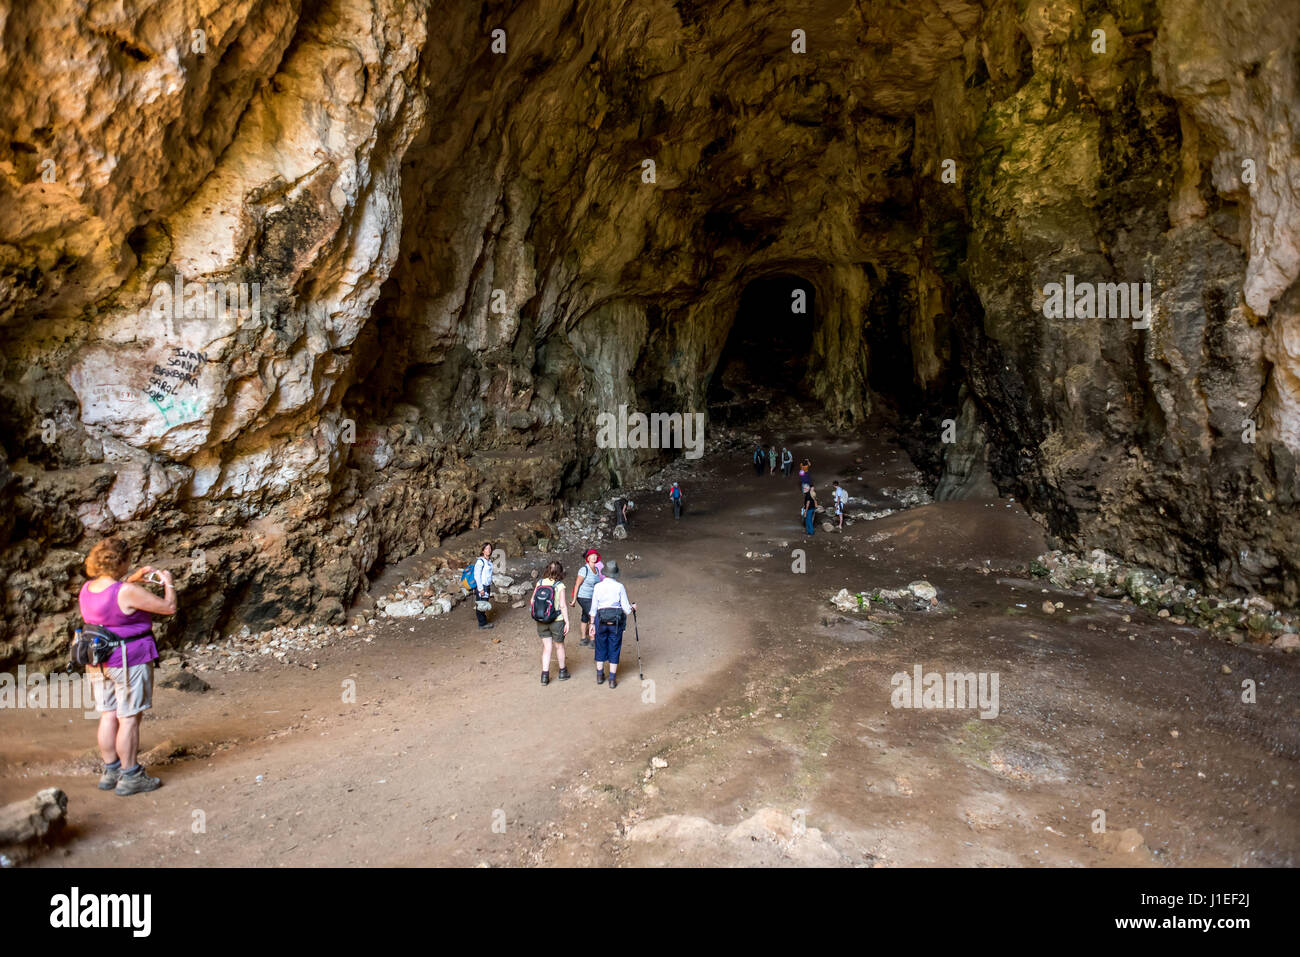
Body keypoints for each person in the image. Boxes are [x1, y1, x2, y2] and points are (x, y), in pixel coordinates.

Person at [79, 537, 176, 797]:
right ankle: (131, 775)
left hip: (97, 660)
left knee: (108, 713)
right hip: (128, 660)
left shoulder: (88, 589)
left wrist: (133, 579)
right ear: (121, 561)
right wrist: (168, 583)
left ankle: (111, 770)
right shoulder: (125, 591)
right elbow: (169, 607)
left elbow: (113, 601)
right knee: (129, 718)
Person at [590, 559, 636, 689]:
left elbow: (594, 607)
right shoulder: (619, 587)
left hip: (600, 620)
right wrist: (633, 607)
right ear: (615, 574)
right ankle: (611, 679)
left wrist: (592, 623)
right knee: (614, 647)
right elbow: (626, 609)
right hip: (616, 622)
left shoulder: (598, 586)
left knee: (600, 645)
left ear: (605, 573)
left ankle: (599, 676)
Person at [531, 561, 571, 685]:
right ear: (560, 571)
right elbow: (563, 606)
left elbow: (533, 600)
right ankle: (562, 672)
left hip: (542, 620)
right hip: (556, 620)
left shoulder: (540, 583)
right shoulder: (559, 586)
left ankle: (544, 676)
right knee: (559, 646)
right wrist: (567, 621)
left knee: (547, 647)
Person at [570, 548, 603, 646]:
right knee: (593, 615)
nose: (594, 557)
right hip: (583, 596)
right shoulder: (584, 569)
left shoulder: (596, 569)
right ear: (587, 558)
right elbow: (577, 585)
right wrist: (574, 600)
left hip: (592, 597)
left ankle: (583, 639)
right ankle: (592, 640)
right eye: (591, 555)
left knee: (585, 616)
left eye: (595, 555)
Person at [473, 541, 495, 629]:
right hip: (482, 586)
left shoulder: (488, 561)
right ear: (483, 551)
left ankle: (483, 621)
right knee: (481, 604)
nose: (488, 550)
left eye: (489, 548)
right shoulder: (480, 562)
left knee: (484, 603)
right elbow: (477, 576)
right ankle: (482, 624)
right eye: (486, 549)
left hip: (487, 586)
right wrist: (480, 588)